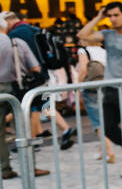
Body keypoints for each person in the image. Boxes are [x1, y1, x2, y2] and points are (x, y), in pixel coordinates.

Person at [77, 2, 122, 178]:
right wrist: (98, 17)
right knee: (108, 127)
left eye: (116, 15)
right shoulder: (107, 34)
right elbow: (82, 35)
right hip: (109, 87)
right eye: (110, 16)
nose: (113, 19)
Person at [1, 11, 74, 149]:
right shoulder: (32, 29)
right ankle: (63, 129)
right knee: (41, 105)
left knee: (33, 106)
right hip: (42, 74)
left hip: (30, 76)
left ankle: (31, 139)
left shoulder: (15, 34)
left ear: (8, 21)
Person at [0, 30, 49, 179]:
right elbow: (35, 68)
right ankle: (29, 167)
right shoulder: (17, 43)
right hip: (16, 89)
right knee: (23, 130)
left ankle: (5, 169)